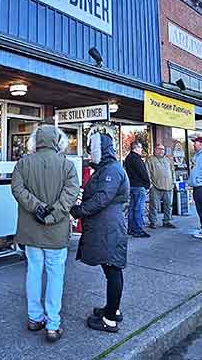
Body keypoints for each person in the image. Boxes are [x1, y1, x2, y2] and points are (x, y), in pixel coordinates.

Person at [11, 125, 80, 343]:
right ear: (57, 141)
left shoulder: (23, 163)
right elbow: (70, 195)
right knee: (55, 276)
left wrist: (37, 207)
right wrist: (51, 215)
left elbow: (17, 189)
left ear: (35, 141)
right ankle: (52, 324)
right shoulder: (67, 166)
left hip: (31, 230)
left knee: (33, 272)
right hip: (56, 231)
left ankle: (34, 318)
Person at [71, 133, 129, 333]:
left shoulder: (111, 170)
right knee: (110, 269)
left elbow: (103, 197)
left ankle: (110, 319)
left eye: (91, 149)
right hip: (107, 226)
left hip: (109, 227)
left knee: (112, 270)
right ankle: (112, 308)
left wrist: (80, 211)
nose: (88, 153)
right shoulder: (108, 168)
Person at [123, 141, 151, 238]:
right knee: (139, 208)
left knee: (132, 208)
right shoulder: (136, 159)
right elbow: (142, 172)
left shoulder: (128, 158)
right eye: (140, 147)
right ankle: (138, 229)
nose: (141, 149)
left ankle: (131, 229)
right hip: (139, 186)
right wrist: (148, 183)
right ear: (135, 148)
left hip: (132, 185)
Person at [146, 144, 177, 229]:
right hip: (156, 187)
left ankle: (167, 221)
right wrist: (150, 184)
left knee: (168, 205)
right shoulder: (150, 160)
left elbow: (172, 171)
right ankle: (153, 222)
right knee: (154, 205)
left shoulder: (168, 160)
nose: (161, 151)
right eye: (159, 149)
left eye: (163, 149)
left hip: (168, 186)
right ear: (155, 149)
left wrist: (173, 182)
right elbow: (147, 172)